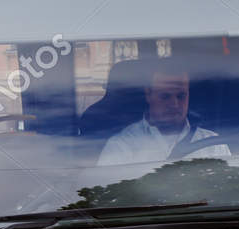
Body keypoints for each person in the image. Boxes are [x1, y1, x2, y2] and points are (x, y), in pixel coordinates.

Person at [96, 62, 231, 166]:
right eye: (165, 96)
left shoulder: (213, 145)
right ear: (148, 94)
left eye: (181, 96)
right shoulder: (121, 147)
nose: (174, 104)